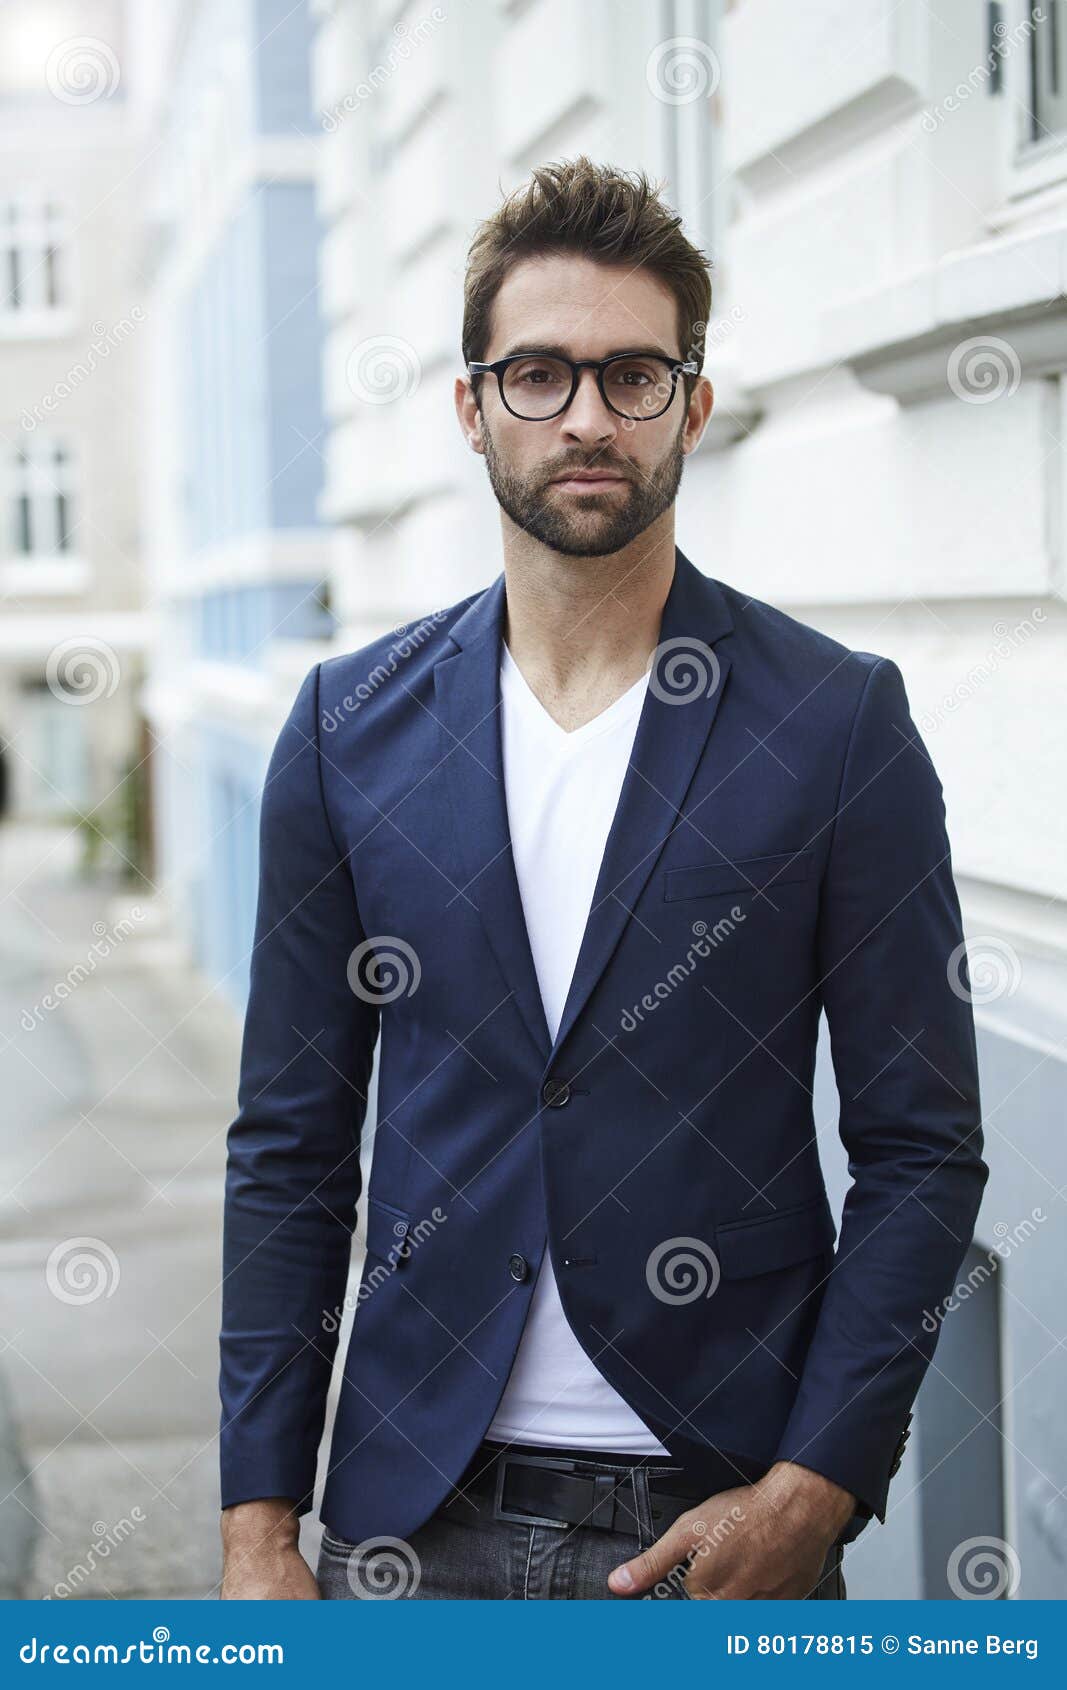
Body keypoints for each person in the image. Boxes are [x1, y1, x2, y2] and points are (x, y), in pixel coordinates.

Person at [218, 158, 987, 1601]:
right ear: (472, 407)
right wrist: (257, 1527)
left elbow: (921, 1147)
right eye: (539, 374)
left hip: (715, 1518)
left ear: (692, 407)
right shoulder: (345, 730)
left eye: (634, 376)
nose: (586, 417)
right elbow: (290, 1147)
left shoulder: (835, 724)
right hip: (413, 1523)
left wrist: (814, 1489)